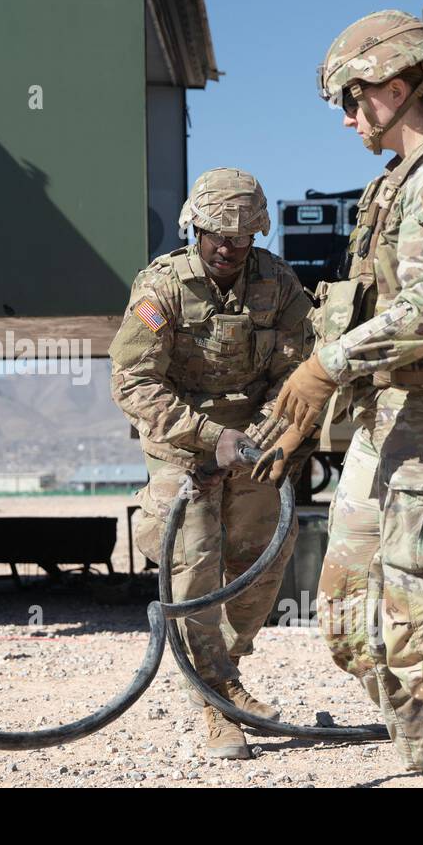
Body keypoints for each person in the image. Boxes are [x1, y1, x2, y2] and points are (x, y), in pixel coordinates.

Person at [255, 10, 423, 787]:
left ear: (395, 89)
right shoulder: (400, 181)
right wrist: (316, 397)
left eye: (352, 99)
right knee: (345, 621)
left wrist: (327, 366)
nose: (346, 118)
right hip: (392, 420)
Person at [109, 168, 313, 760]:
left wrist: (256, 436)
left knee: (266, 556)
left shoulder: (279, 284)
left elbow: (299, 376)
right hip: (183, 445)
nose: (228, 247)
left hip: (255, 442)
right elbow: (133, 381)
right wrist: (207, 437)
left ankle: (225, 669)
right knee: (194, 562)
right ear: (193, 228)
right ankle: (214, 700)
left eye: (242, 237)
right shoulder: (162, 288)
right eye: (216, 235)